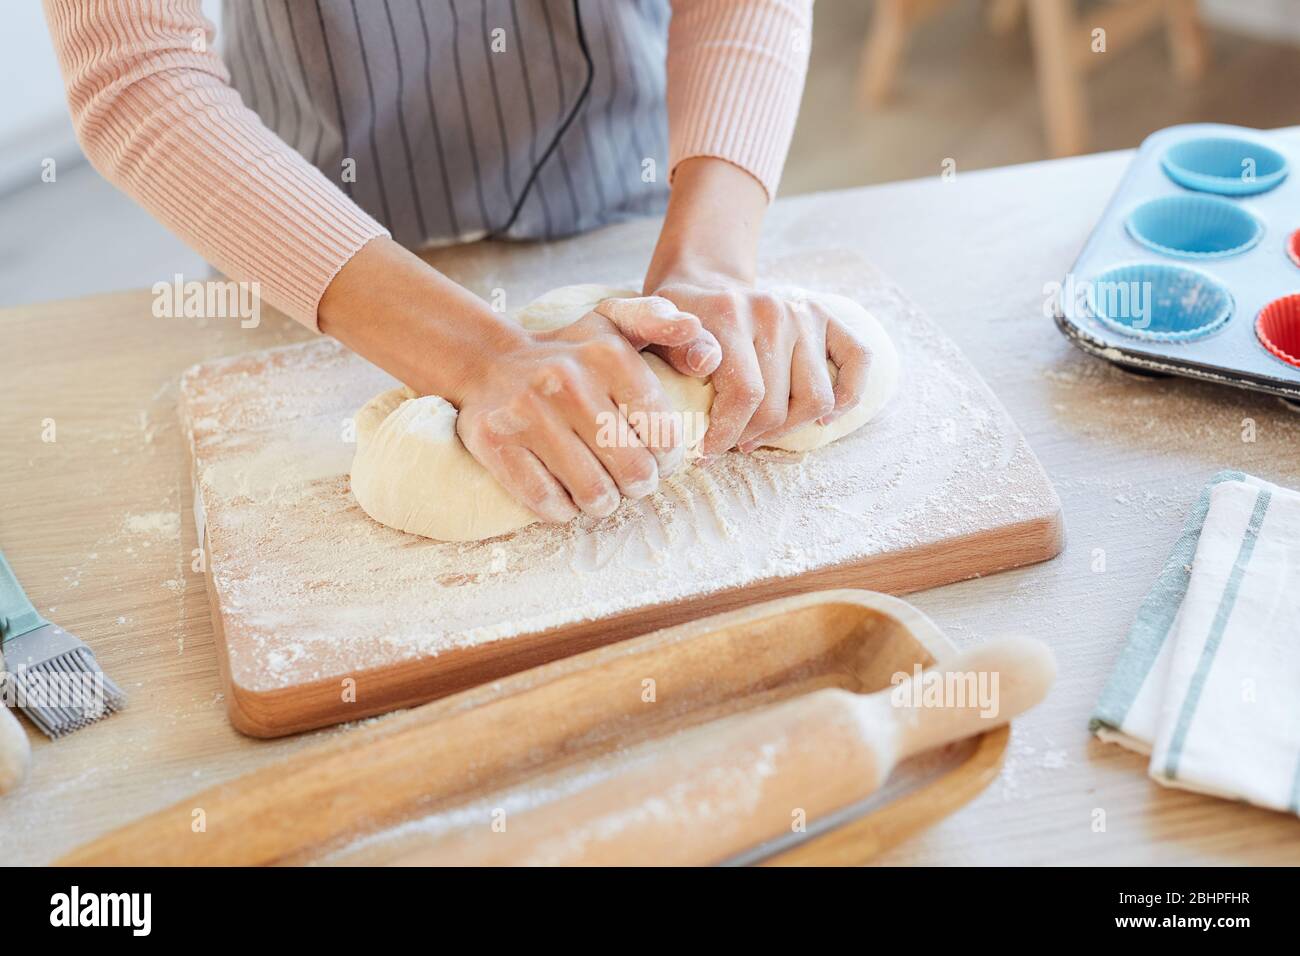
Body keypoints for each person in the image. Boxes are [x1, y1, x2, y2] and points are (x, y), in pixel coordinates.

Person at [45, 0, 874, 525]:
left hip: (638, 204)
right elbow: (138, 73)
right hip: (300, 244)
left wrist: (711, 266)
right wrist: (479, 355)